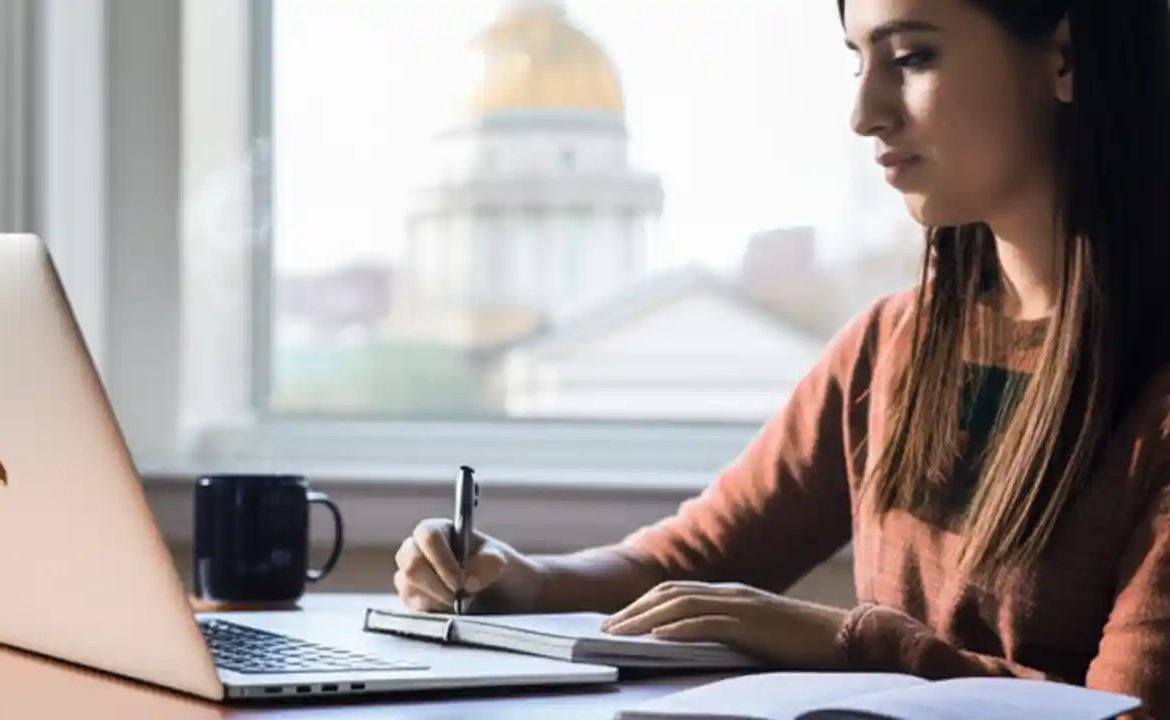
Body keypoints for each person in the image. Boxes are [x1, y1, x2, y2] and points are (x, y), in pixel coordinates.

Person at [395, 0, 1170, 715]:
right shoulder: (891, 347)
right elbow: (694, 562)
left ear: (1065, 57)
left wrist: (854, 644)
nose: (865, 115)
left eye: (911, 58)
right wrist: (521, 579)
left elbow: (1132, 713)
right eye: (857, 61)